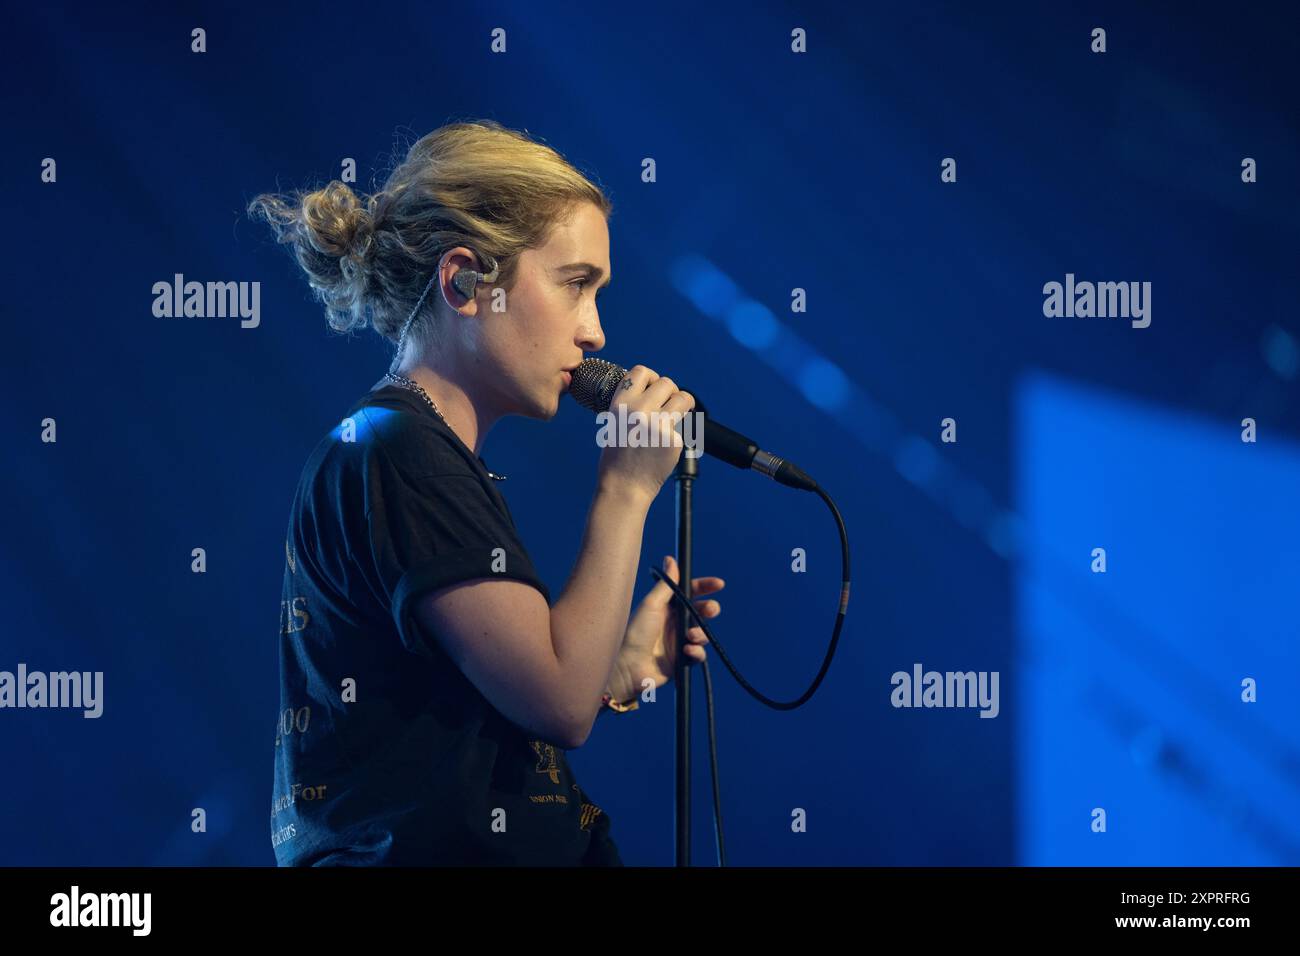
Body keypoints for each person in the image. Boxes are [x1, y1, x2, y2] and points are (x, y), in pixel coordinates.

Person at [248, 119, 726, 866]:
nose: (595, 331)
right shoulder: (396, 452)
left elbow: (485, 711)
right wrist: (627, 491)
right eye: (575, 285)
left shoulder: (415, 454)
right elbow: (557, 707)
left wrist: (618, 669)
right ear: (466, 281)